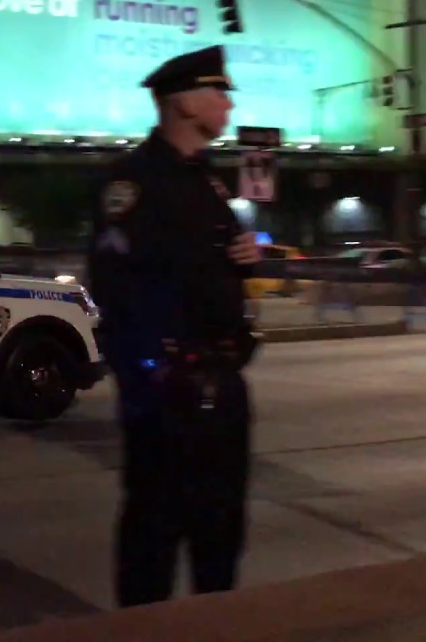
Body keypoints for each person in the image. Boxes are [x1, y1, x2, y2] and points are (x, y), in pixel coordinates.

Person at [86, 45, 262, 608]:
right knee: (154, 537)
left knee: (220, 534)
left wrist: (241, 257)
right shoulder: (133, 183)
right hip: (169, 393)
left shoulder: (207, 183)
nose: (228, 104)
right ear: (183, 101)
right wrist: (150, 379)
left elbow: (199, 268)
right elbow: (115, 290)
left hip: (222, 384)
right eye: (219, 91)